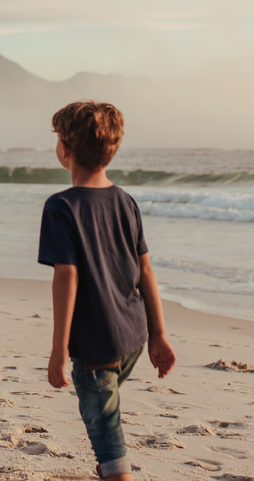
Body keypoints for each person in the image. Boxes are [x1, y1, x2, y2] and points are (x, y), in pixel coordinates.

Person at [38, 100, 177, 481]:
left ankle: (114, 470)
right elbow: (145, 268)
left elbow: (66, 278)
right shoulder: (125, 201)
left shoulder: (61, 207)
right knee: (105, 408)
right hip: (132, 338)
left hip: (96, 348)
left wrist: (58, 350)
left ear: (64, 150)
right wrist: (159, 334)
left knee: (107, 435)